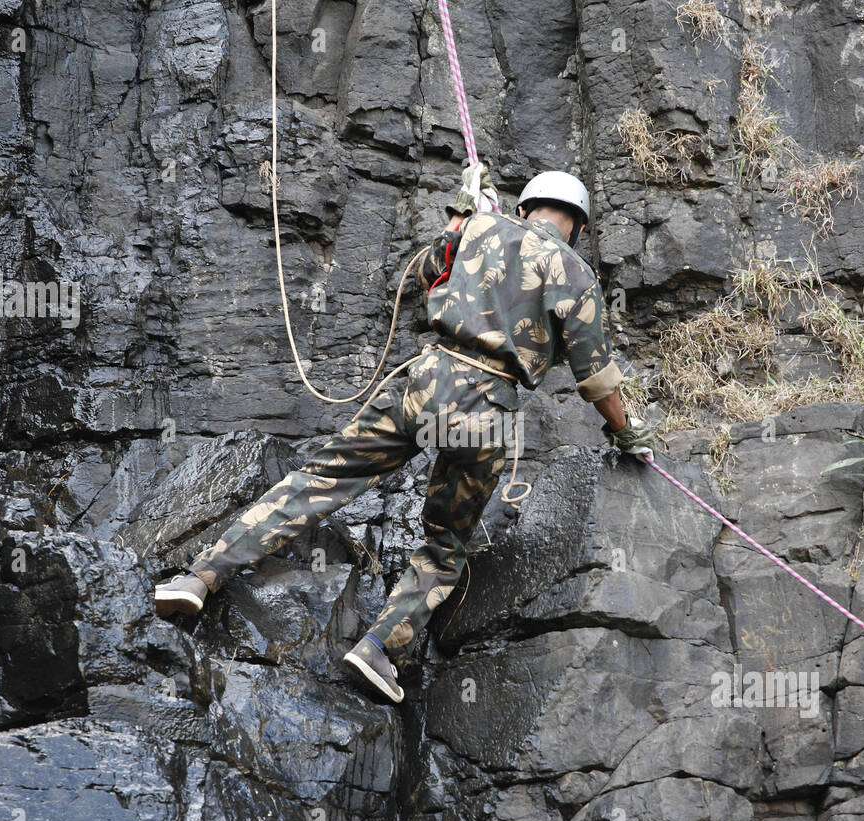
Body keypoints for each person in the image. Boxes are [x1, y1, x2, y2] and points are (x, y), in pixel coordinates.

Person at [154, 166, 656, 703]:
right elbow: (596, 379)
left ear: (526, 207)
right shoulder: (578, 276)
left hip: (429, 380)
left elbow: (425, 275)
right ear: (576, 224)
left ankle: (200, 578)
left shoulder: (482, 228)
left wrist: (462, 215)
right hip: (487, 408)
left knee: (322, 478)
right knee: (445, 545)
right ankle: (377, 650)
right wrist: (627, 435)